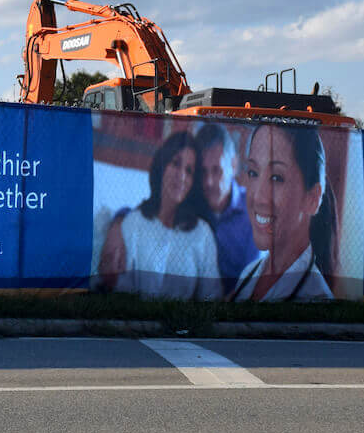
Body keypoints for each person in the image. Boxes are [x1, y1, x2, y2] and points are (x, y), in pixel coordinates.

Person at [98, 131, 220, 299]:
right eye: (176, 163)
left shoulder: (202, 234)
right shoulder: (134, 223)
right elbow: (121, 292)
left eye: (189, 171)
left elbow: (211, 297)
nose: (182, 176)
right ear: (161, 167)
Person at [230, 123, 336, 302]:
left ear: (312, 199)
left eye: (276, 178)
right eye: (253, 173)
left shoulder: (315, 299)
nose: (258, 197)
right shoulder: (249, 274)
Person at [193, 122, 256, 298]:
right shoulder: (189, 203)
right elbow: (154, 210)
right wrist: (121, 219)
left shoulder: (254, 212)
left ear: (234, 166)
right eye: (203, 172)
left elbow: (251, 283)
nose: (209, 182)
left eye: (217, 170)